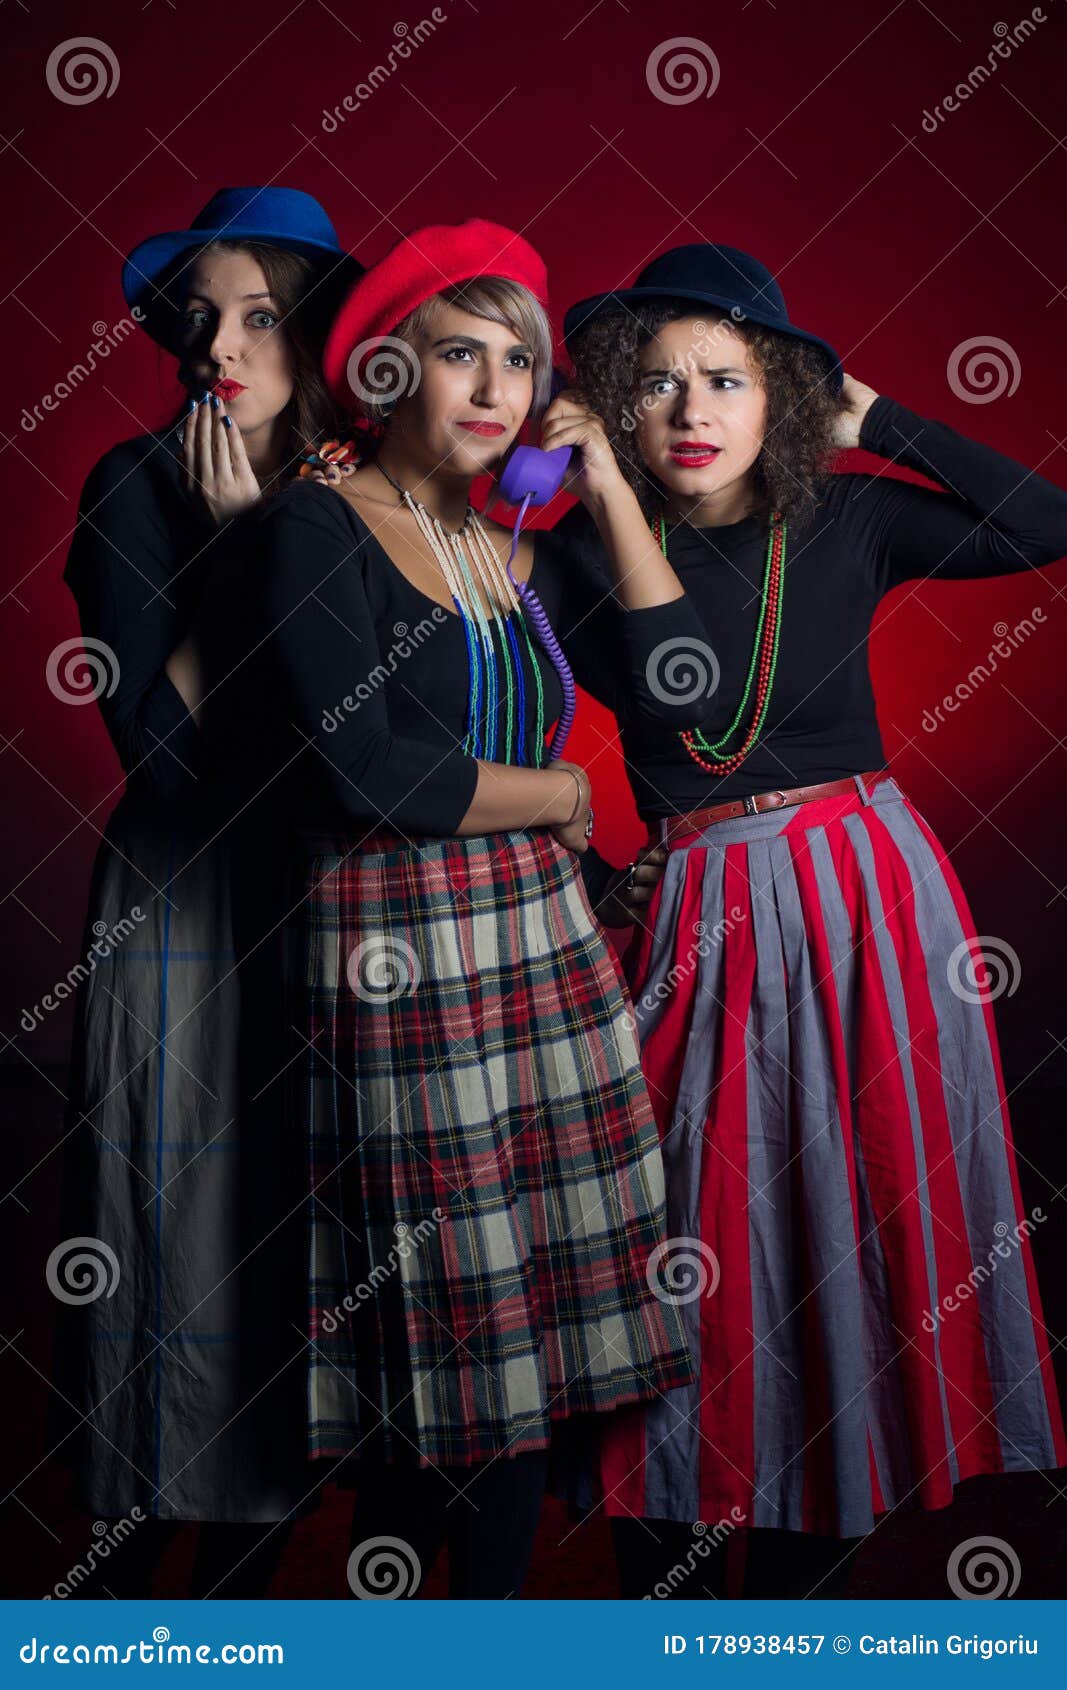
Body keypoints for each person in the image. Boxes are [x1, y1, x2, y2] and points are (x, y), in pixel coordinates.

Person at [554, 241, 1067, 1598]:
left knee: (843, 1231)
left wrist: (878, 417)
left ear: (780, 394)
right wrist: (603, 862)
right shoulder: (586, 537)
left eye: (727, 378)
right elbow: (665, 706)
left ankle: (796, 1594)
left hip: (866, 900)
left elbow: (1048, 520)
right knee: (684, 1250)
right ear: (612, 403)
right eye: (654, 385)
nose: (691, 410)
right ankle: (665, 1591)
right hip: (699, 901)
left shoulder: (844, 512)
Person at [246, 217, 718, 1599]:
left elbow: (678, 683)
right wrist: (564, 800)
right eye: (463, 354)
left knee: (539, 1346)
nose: (499, 387)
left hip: (541, 946)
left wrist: (611, 490)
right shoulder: (316, 525)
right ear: (385, 371)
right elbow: (367, 763)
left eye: (521, 360)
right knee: (452, 1350)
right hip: (406, 953)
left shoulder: (510, 549)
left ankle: (483, 1635)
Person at [49, 187, 361, 1597]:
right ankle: (112, 1618)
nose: (215, 350)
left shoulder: (353, 493)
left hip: (325, 910)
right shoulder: (133, 484)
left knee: (287, 1266)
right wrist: (245, 563)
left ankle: (232, 1612)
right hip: (184, 908)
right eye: (198, 322)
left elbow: (390, 738)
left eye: (254, 318)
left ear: (311, 338)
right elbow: (160, 758)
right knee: (172, 1249)